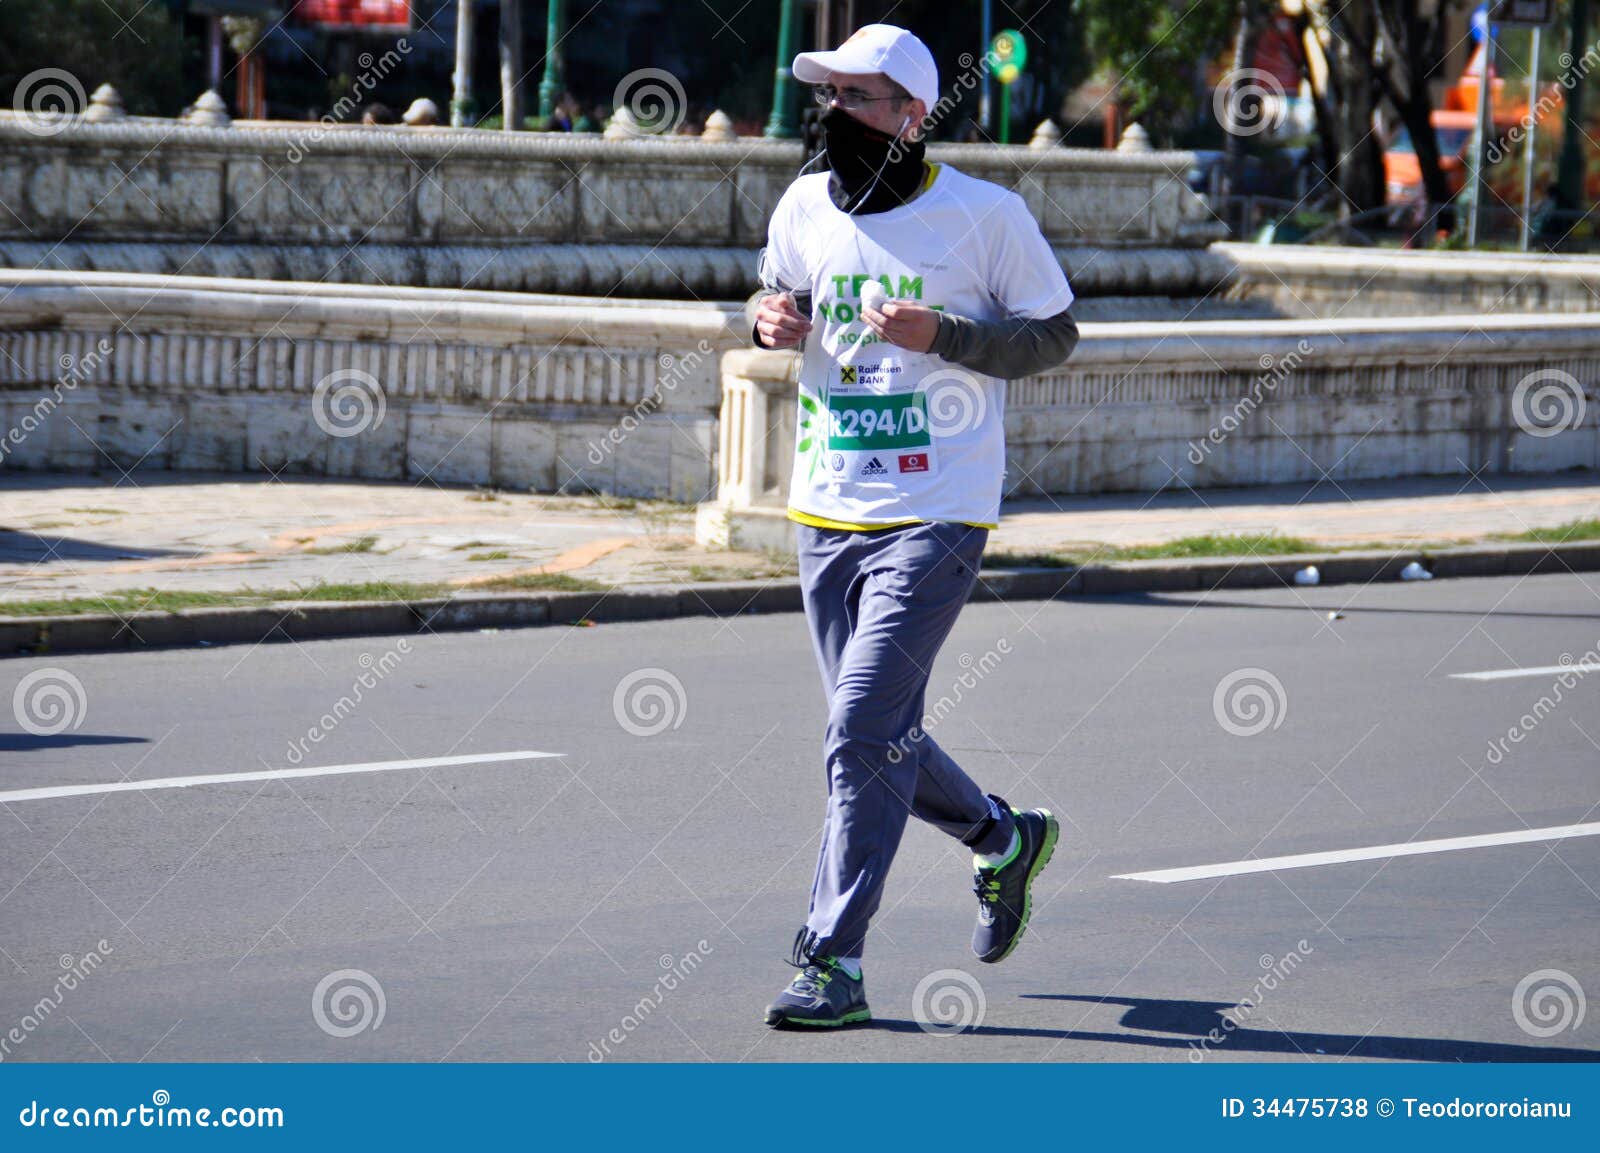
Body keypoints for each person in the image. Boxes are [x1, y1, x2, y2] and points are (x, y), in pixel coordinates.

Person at [752, 23, 1081, 1029]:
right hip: (824, 505)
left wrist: (945, 334)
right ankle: (1000, 836)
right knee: (878, 737)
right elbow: (776, 292)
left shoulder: (985, 215)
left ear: (911, 114)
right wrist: (768, 319)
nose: (834, 112)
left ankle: (832, 963)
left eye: (858, 96)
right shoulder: (805, 202)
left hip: (936, 512)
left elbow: (1053, 334)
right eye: (831, 93)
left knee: (857, 731)